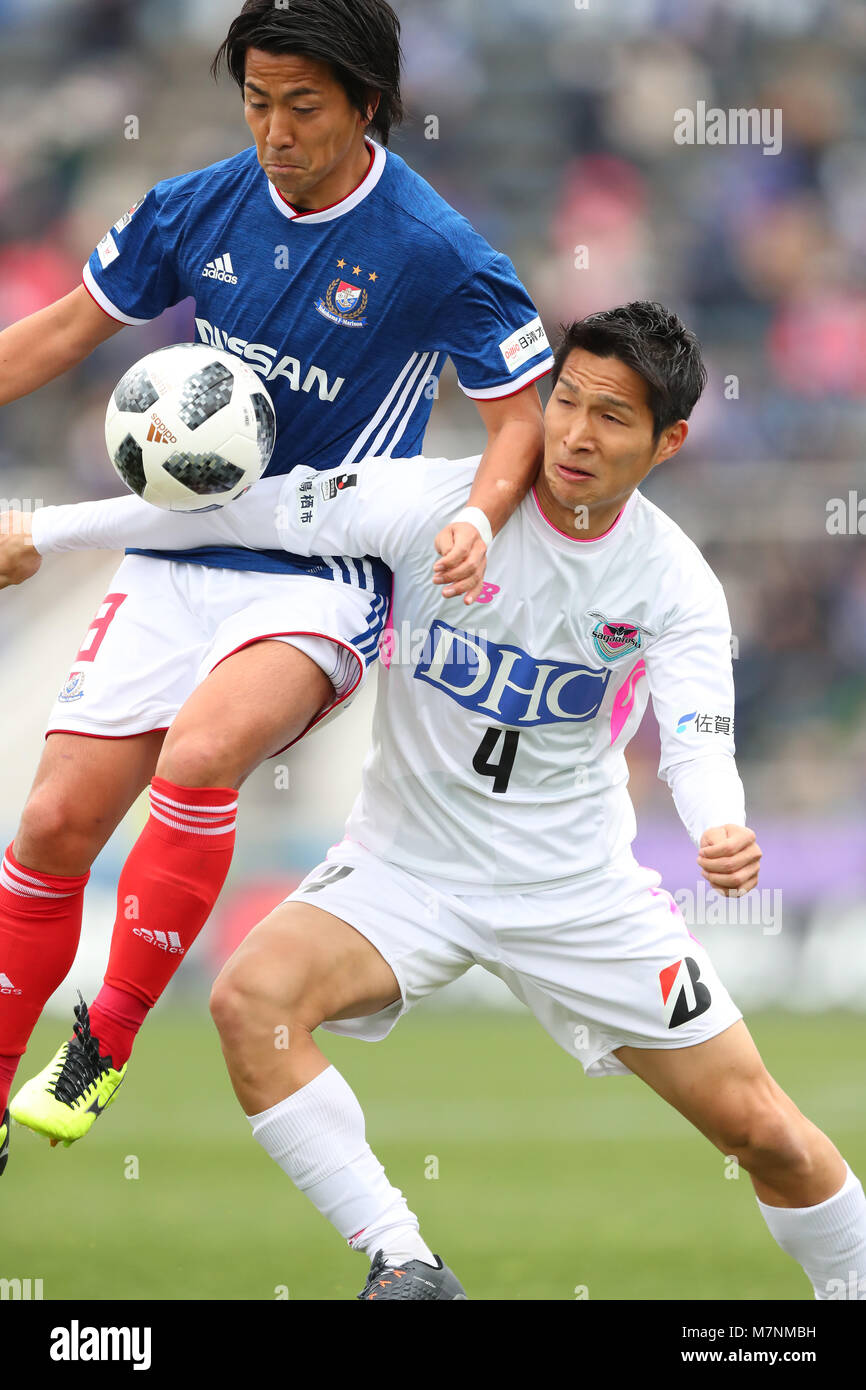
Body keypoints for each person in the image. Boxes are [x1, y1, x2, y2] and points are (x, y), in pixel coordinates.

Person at [4, 301, 861, 1302]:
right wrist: (47, 531)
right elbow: (241, 507)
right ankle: (405, 1263)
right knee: (250, 1002)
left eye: (613, 417)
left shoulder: (670, 584)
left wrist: (718, 823)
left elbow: (696, 737)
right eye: (564, 401)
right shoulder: (432, 503)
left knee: (762, 1130)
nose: (577, 434)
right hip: (403, 865)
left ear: (668, 441)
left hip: (574, 891)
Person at [0, 0, 553, 1160]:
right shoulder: (196, 207)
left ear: (367, 104)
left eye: (301, 106)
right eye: (256, 102)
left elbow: (519, 423)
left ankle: (105, 1033)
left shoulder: (435, 249)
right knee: (51, 823)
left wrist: (479, 518)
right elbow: (57, 331)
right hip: (179, 548)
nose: (274, 131)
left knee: (201, 756)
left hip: (317, 575)